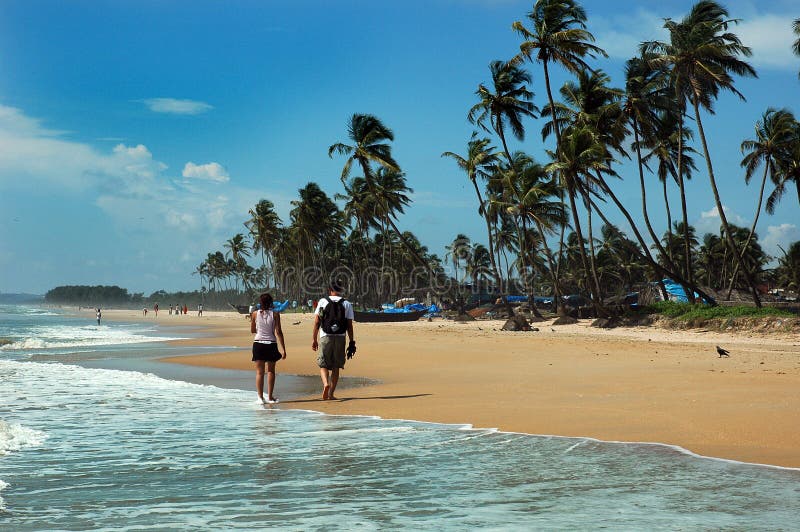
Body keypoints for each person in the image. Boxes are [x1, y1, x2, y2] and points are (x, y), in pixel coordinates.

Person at [312, 282, 355, 400]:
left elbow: (317, 321)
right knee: (336, 365)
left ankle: (326, 383)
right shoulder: (346, 304)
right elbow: (349, 326)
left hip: (326, 336)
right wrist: (352, 341)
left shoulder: (323, 302)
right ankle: (331, 393)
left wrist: (314, 339)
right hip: (340, 337)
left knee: (323, 364)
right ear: (341, 289)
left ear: (330, 289)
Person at [251, 292, 286, 404]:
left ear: (260, 303)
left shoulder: (255, 314)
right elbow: (279, 332)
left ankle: (260, 398)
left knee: (259, 372)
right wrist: (284, 349)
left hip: (258, 344)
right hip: (271, 343)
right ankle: (270, 397)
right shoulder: (275, 314)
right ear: (271, 303)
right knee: (271, 371)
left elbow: (252, 330)